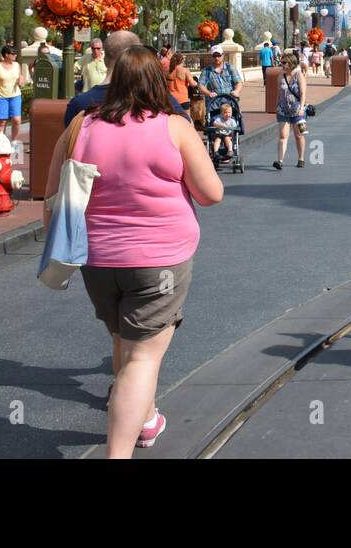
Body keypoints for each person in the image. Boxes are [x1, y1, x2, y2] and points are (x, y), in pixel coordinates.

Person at [45, 46, 222, 457]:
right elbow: (212, 193)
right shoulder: (173, 127)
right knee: (142, 359)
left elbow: (52, 194)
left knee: (122, 342)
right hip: (159, 259)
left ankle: (145, 418)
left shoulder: (80, 126)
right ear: (156, 81)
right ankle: (122, 449)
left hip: (97, 258)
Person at [66, 32, 184, 126]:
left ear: (105, 60)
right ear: (138, 59)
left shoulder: (79, 104)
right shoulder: (160, 99)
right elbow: (187, 125)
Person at [273, 50, 308, 169]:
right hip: (283, 110)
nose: (282, 64)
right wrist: (277, 106)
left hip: (298, 110)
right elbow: (278, 92)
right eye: (281, 62)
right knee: (283, 136)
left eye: (284, 62)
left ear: (291, 63)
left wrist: (302, 108)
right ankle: (279, 161)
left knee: (300, 135)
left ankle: (301, 158)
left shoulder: (299, 75)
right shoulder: (280, 76)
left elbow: (303, 93)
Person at [0, 45, 28, 139]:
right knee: (2, 121)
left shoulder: (16, 65)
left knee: (17, 120)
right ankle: (1, 142)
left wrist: (21, 80)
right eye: (13, 54)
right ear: (6, 55)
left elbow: (21, 81)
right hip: (1, 96)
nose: (15, 55)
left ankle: (14, 141)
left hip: (15, 95)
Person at [197, 45, 243, 109]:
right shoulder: (206, 71)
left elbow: (239, 82)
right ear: (211, 57)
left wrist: (236, 91)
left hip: (230, 101)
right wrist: (209, 93)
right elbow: (200, 86)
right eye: (214, 56)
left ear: (223, 55)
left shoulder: (230, 68)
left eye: (219, 55)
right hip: (214, 104)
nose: (217, 58)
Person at [167, 52, 195, 118]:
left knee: (173, 121)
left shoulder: (167, 71)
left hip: (171, 100)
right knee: (187, 120)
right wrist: (198, 83)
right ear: (181, 60)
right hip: (183, 99)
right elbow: (193, 84)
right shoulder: (184, 70)